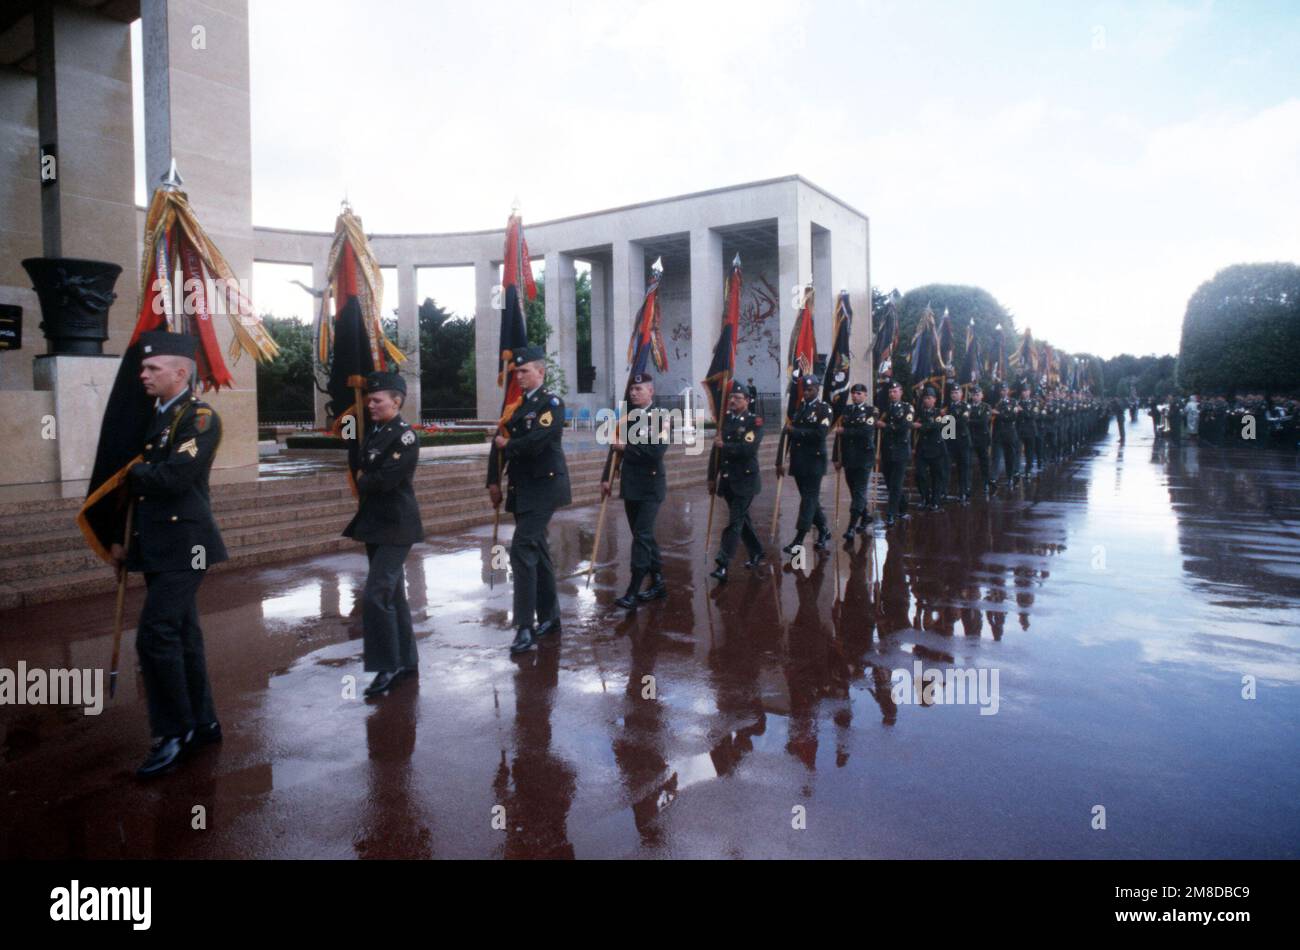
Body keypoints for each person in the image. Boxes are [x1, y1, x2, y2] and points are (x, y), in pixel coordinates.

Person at [113, 331, 228, 778]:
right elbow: (148, 481)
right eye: (143, 368)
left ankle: (173, 732)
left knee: (155, 635)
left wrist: (136, 472)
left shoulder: (198, 418)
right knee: (181, 633)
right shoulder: (153, 418)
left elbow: (175, 478)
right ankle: (202, 722)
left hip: (190, 545)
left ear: (180, 372)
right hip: (160, 543)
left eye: (152, 368)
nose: (142, 374)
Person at [342, 371, 424, 698]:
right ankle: (406, 660)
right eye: (369, 399)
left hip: (396, 524)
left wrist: (363, 480)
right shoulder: (375, 433)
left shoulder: (404, 436)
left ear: (396, 401)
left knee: (376, 594)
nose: (369, 404)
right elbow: (365, 467)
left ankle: (385, 666)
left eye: (376, 400)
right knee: (393, 595)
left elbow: (385, 478)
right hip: (375, 522)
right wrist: (365, 474)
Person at [487, 346, 572, 654]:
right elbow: (498, 446)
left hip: (545, 486)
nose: (518, 376)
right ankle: (550, 616)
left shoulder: (551, 403)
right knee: (538, 550)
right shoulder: (515, 407)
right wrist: (493, 481)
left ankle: (525, 626)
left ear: (540, 372)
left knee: (522, 549)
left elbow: (538, 441)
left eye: (524, 371)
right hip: (521, 488)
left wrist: (507, 443)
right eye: (516, 372)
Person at [602, 372, 669, 609]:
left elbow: (655, 452)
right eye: (632, 389)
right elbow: (614, 448)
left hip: (651, 486)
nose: (633, 393)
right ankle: (658, 581)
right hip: (631, 485)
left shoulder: (661, 418)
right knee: (644, 535)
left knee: (641, 535)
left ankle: (633, 588)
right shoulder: (627, 418)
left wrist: (626, 447)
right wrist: (606, 478)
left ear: (651, 391)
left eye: (639, 389)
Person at [709, 384, 765, 582]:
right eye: (731, 397)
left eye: (737, 398)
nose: (732, 401)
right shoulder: (724, 421)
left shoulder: (754, 421)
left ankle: (722, 563)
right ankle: (757, 550)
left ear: (747, 400)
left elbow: (748, 449)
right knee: (742, 520)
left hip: (745, 480)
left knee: (735, 522)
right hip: (727, 480)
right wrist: (711, 477)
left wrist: (726, 446)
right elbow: (715, 451)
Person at [781, 374, 834, 556]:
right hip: (799, 462)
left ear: (817, 389)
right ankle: (824, 529)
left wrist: (795, 431)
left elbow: (820, 434)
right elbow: (788, 434)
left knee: (808, 501)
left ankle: (798, 540)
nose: (806, 393)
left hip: (814, 462)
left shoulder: (824, 409)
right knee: (809, 500)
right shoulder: (799, 409)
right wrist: (781, 459)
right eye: (805, 389)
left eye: (810, 389)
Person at [832, 383, 877, 540]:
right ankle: (865, 516)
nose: (855, 396)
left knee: (859, 492)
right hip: (849, 458)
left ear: (865, 395)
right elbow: (838, 437)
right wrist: (836, 458)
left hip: (864, 458)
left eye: (858, 393)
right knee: (853, 491)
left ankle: (851, 526)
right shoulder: (846, 411)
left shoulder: (871, 411)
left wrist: (846, 431)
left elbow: (866, 431)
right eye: (853, 394)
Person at [876, 380, 915, 528]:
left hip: (900, 451)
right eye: (890, 392)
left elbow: (904, 426)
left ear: (901, 392)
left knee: (896, 483)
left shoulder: (907, 408)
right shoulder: (885, 408)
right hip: (887, 451)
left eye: (895, 391)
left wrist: (885, 426)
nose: (892, 394)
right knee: (890, 484)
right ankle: (903, 506)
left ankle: (891, 514)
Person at [914, 386, 947, 511]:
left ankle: (935, 501)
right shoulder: (919, 412)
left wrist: (921, 426)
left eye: (929, 398)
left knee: (936, 476)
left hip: (936, 448)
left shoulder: (939, 413)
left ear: (934, 400)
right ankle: (924, 498)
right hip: (922, 448)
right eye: (925, 398)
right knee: (920, 475)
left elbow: (936, 425)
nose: (926, 400)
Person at [944, 381, 972, 504]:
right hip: (950, 440)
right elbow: (945, 425)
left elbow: (963, 421)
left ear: (961, 394)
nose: (954, 395)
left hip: (962, 440)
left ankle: (963, 492)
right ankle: (944, 491)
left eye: (956, 393)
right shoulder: (948, 407)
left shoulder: (965, 406)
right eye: (952, 393)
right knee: (946, 466)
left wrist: (950, 417)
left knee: (963, 467)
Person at [967, 384, 994, 495]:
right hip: (970, 437)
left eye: (977, 395)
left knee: (984, 462)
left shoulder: (986, 407)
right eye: (973, 395)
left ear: (982, 395)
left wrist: (970, 421)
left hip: (982, 438)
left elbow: (984, 422)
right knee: (968, 463)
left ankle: (986, 483)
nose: (975, 397)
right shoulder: (968, 406)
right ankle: (968, 486)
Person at [991, 385, 1020, 489]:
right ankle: (993, 478)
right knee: (996, 457)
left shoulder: (1013, 402)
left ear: (1008, 391)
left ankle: (1010, 477)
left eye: (1005, 390)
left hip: (1009, 433)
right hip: (998, 433)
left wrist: (998, 413)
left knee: (1009, 457)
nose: (1003, 392)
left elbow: (1012, 416)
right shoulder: (996, 401)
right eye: (1001, 390)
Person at [1016, 382, 1038, 477]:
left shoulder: (1034, 403)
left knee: (1029, 451)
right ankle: (1016, 470)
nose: (1024, 393)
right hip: (1019, 430)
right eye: (1023, 391)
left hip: (1030, 430)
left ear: (1029, 392)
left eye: (1026, 391)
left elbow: (1033, 416)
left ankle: (1028, 470)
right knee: (1017, 450)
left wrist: (1022, 411)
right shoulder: (1017, 402)